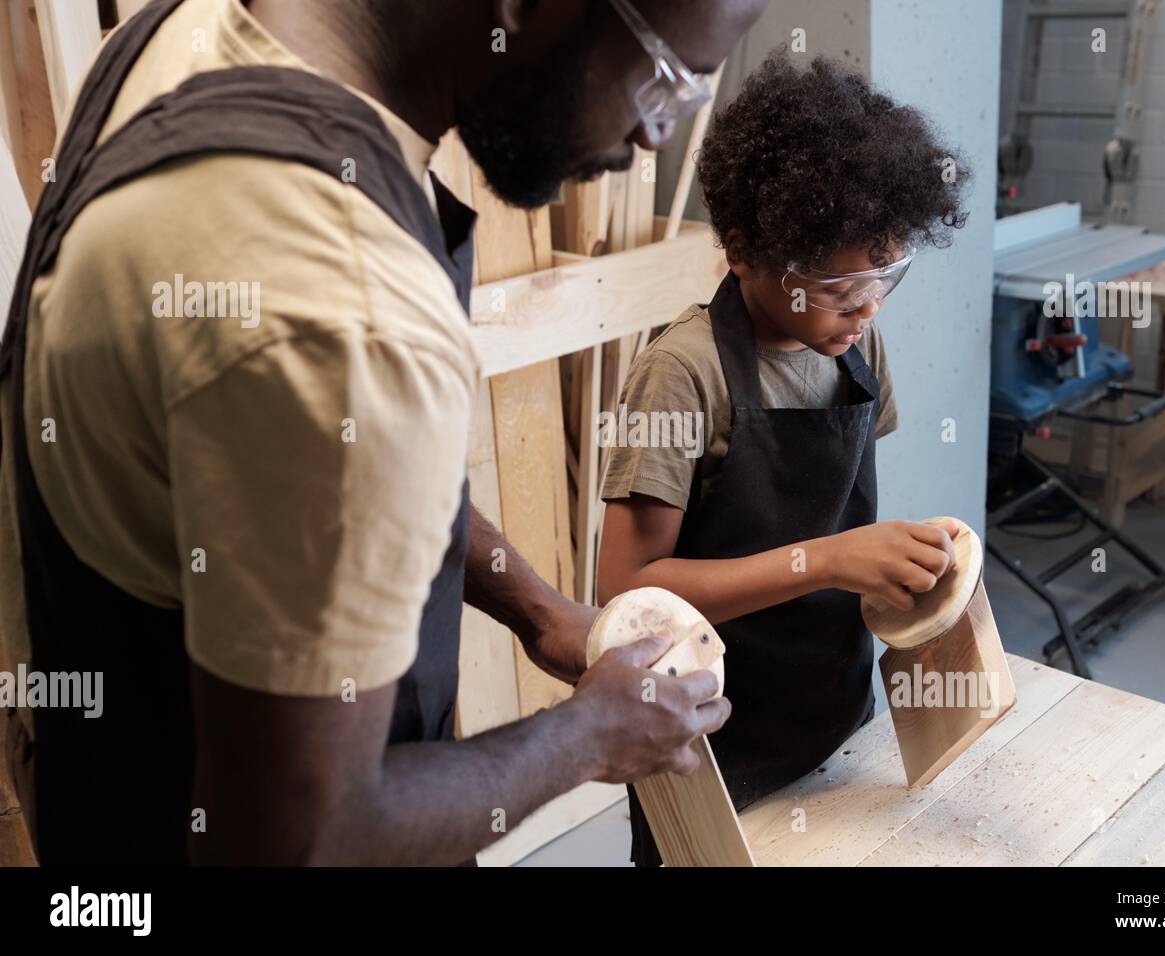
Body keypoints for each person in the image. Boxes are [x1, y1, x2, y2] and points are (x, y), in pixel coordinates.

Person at [0, 0, 766, 865]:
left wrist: (533, 605)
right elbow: (302, 837)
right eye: (665, 76)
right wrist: (588, 738)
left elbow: (286, 471)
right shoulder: (343, 309)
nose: (659, 136)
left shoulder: (192, 33)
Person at [596, 50, 972, 866]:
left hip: (835, 716)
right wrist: (830, 559)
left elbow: (837, 513)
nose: (866, 311)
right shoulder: (683, 372)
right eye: (839, 292)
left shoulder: (856, 352)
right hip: (709, 743)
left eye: (885, 280)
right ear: (743, 251)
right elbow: (626, 593)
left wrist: (906, 566)